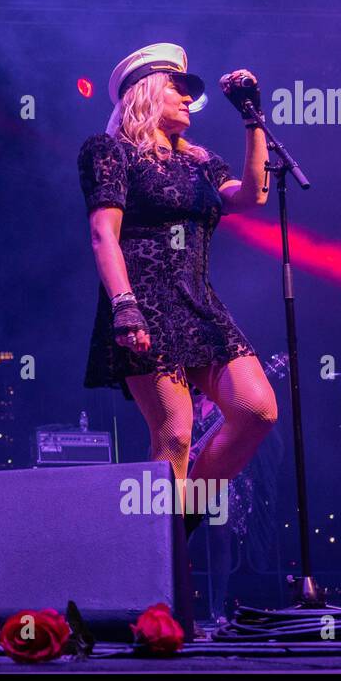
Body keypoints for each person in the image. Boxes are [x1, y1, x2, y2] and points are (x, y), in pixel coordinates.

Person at [79, 43, 278, 534]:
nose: (189, 99)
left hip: (200, 303)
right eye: (178, 89)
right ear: (145, 94)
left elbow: (252, 196)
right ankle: (153, 562)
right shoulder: (111, 152)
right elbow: (104, 233)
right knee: (175, 435)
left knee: (257, 410)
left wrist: (253, 120)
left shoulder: (202, 163)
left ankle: (178, 524)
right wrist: (125, 307)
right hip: (142, 300)